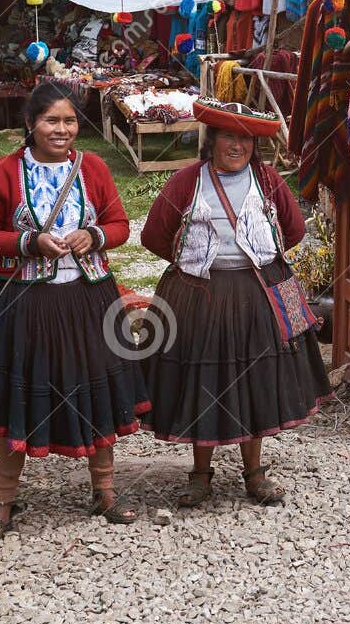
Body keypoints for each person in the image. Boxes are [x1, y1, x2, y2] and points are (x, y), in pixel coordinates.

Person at [0, 81, 148, 535]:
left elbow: (120, 223)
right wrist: (28, 242)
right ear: (31, 124)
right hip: (28, 302)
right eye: (51, 120)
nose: (62, 129)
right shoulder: (5, 174)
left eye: (69, 121)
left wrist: (97, 235)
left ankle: (104, 489)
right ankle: (4, 501)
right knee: (21, 392)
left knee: (96, 387)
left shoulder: (94, 171)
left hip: (89, 298)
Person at [140, 99, 332, 506]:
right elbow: (155, 234)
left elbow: (292, 230)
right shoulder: (187, 182)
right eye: (229, 135)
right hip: (199, 294)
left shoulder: (268, 181)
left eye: (245, 138)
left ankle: (255, 473)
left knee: (257, 378)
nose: (237, 145)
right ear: (211, 140)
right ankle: (200, 474)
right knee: (202, 378)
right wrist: (196, 259)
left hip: (257, 292)